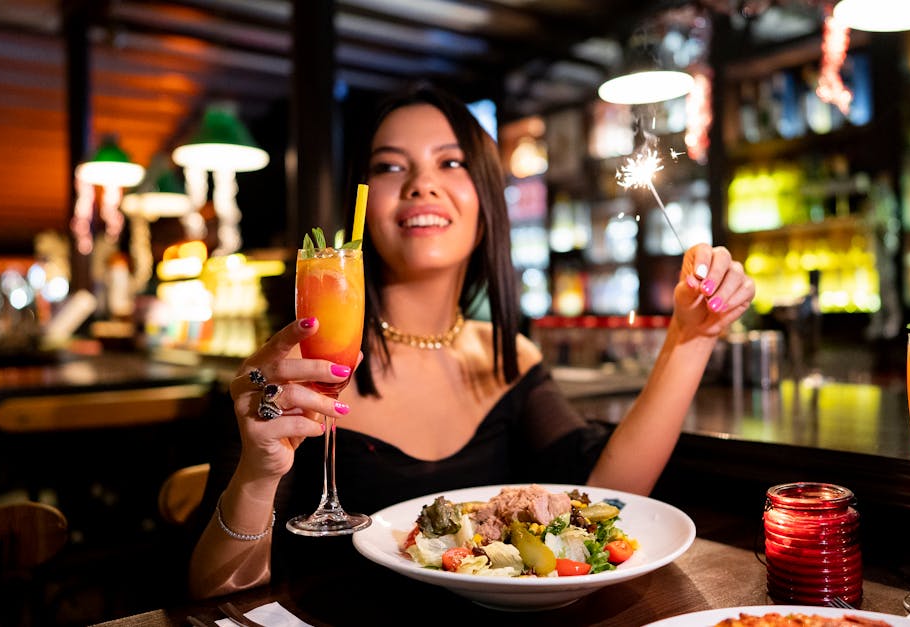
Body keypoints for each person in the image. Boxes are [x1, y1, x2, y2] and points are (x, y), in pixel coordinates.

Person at [186, 83, 755, 599]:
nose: (421, 184)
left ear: (486, 200)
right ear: (362, 203)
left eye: (451, 161)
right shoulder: (295, 370)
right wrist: (258, 476)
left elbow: (609, 497)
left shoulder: (511, 358)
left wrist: (691, 336)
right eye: (389, 166)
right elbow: (212, 589)